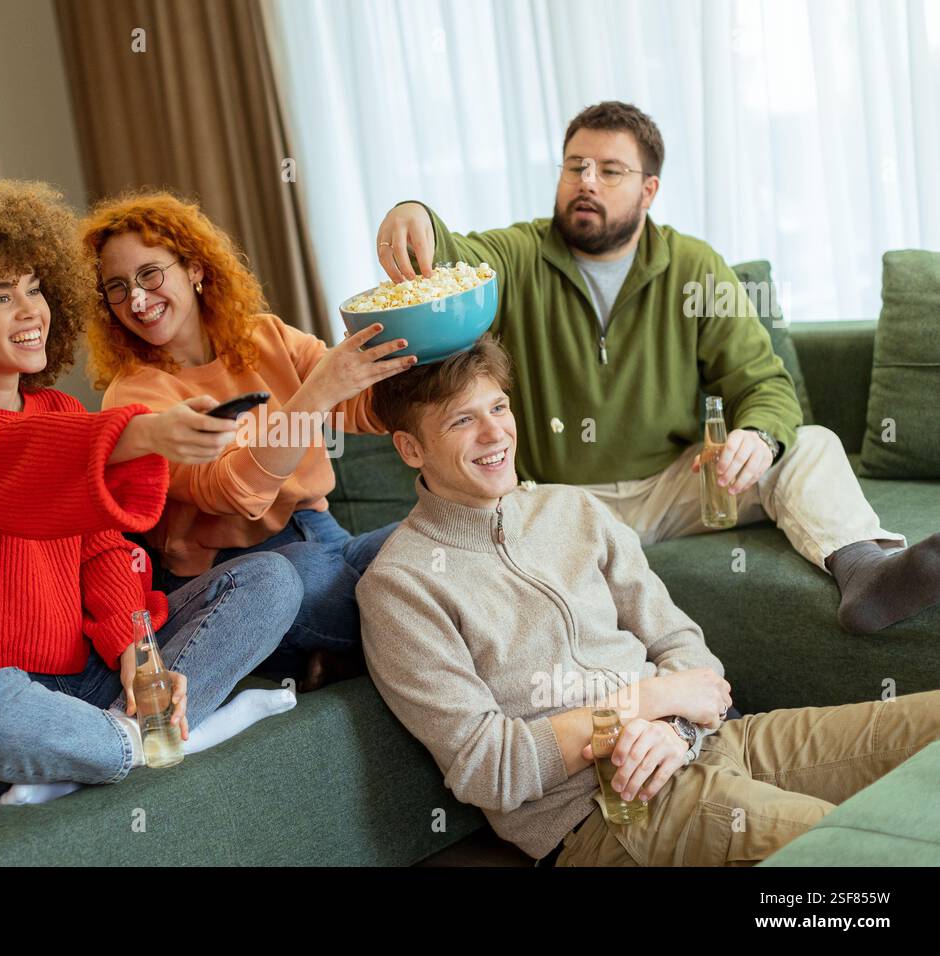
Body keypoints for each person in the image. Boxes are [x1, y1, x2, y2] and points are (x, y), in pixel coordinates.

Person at [356, 334, 940, 865]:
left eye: (499, 408)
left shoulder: (573, 510)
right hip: (613, 813)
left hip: (708, 739)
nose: (495, 434)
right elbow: (491, 767)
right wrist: (646, 702)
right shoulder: (400, 587)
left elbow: (682, 644)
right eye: (462, 420)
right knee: (865, 858)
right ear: (411, 448)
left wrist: (675, 729)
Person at [373, 100, 940, 635]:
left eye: (611, 170)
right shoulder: (520, 255)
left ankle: (866, 569)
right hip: (553, 502)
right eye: (575, 166)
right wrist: (415, 212)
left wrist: (758, 437)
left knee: (809, 442)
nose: (587, 181)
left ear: (649, 190)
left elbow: (763, 382)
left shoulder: (694, 265)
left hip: (678, 487)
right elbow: (458, 257)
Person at [0, 180, 301, 806]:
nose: (31, 311)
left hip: (89, 684)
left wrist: (135, 649)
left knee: (270, 580)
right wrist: (149, 432)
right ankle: (153, 741)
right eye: (1, 297)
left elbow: (102, 551)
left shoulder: (61, 408)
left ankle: (113, 743)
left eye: (36, 289)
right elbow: (25, 457)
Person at [84, 190, 415, 690]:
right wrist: (318, 391)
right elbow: (232, 491)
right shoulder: (133, 397)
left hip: (322, 535)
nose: (136, 299)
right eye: (116, 287)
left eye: (150, 274)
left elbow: (362, 408)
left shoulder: (264, 336)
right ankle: (371, 642)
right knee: (309, 575)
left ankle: (336, 655)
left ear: (194, 268)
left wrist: (410, 354)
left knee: (424, 542)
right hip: (237, 574)